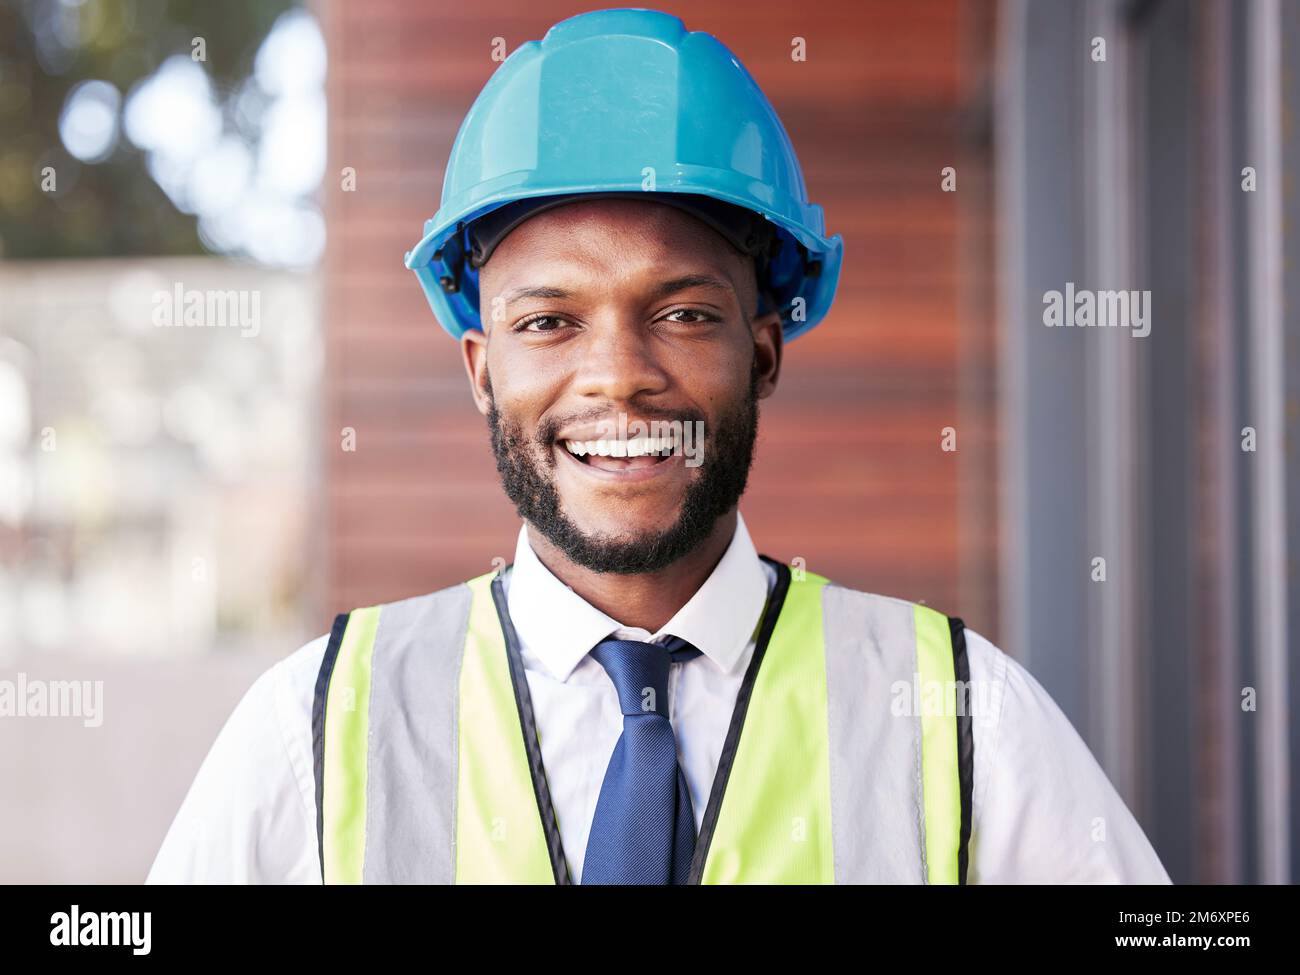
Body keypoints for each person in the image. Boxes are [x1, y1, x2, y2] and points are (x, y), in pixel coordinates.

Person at [147, 7, 1170, 885]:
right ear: (481, 368)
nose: (618, 374)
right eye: (549, 322)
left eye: (682, 314)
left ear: (763, 350)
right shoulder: (317, 731)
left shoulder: (961, 716)